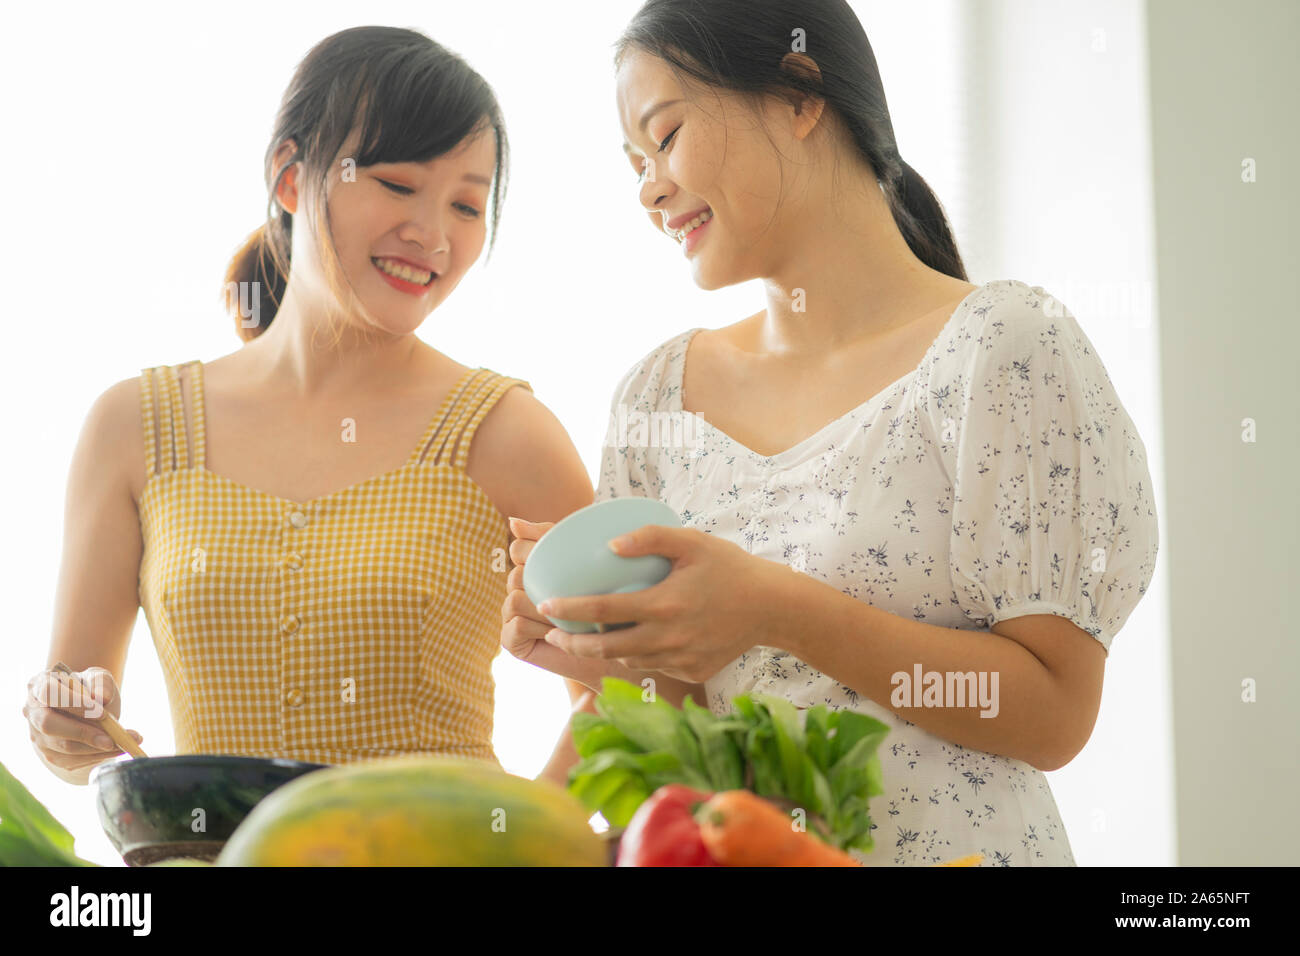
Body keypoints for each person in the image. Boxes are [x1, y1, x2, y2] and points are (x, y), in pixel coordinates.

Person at [502, 0, 1159, 865]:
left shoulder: (1003, 347)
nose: (649, 188)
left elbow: (1054, 714)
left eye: (664, 138)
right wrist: (601, 654)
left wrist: (774, 609)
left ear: (800, 94)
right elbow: (691, 724)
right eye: (633, 163)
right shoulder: (657, 397)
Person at [25, 26, 593, 785]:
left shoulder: (507, 433)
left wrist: (531, 831)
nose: (431, 235)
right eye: (397, 184)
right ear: (291, 176)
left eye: (466, 204)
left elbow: (629, 692)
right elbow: (74, 730)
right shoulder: (132, 427)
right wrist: (64, 715)